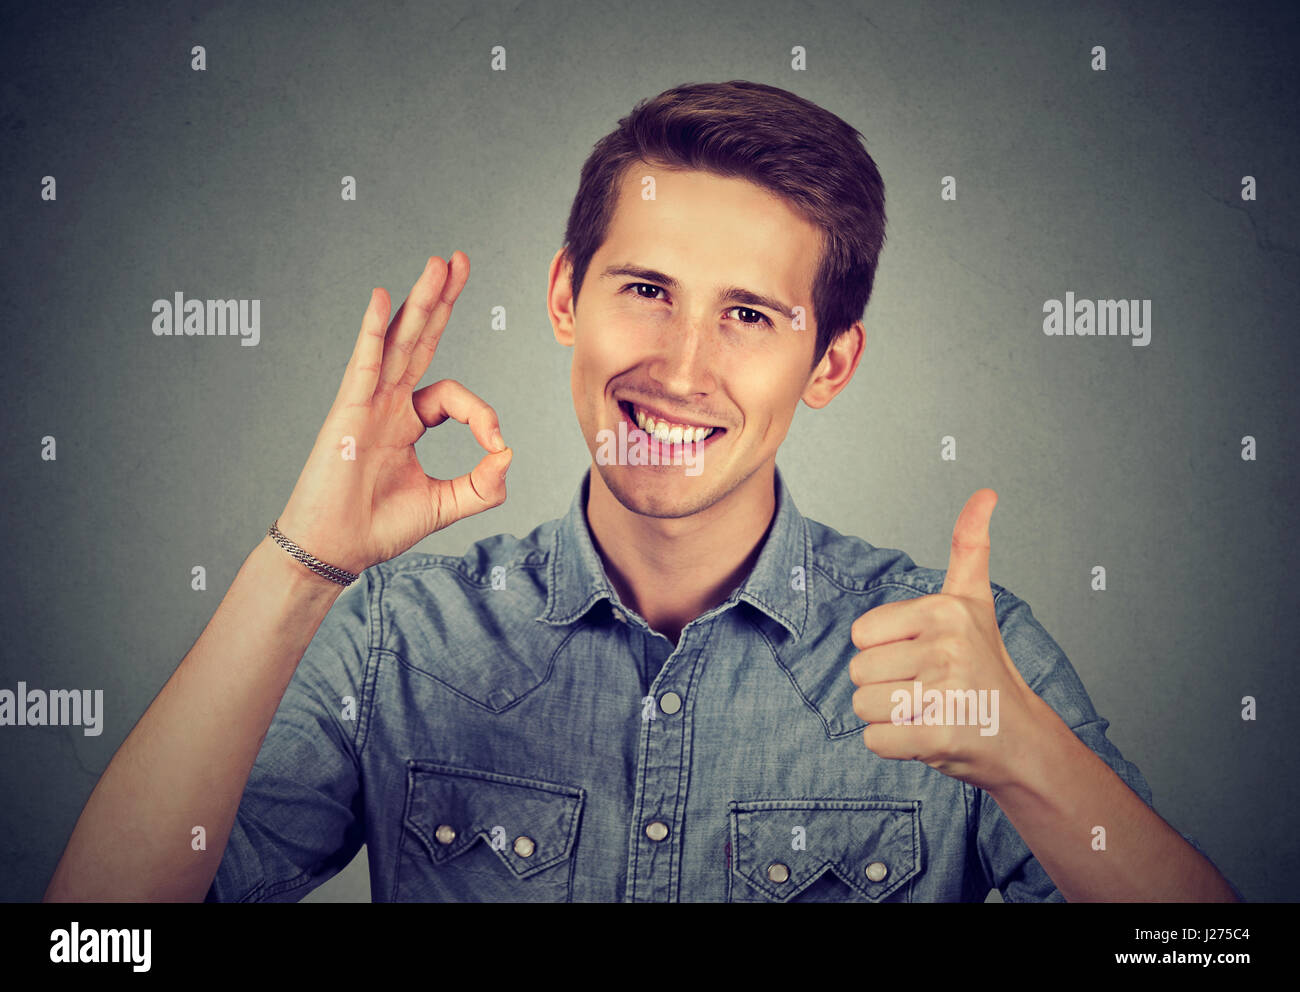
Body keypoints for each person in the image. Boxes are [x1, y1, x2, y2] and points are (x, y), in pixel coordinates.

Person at [44, 80, 1240, 902]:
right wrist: (301, 561)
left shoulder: (958, 659)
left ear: (829, 362)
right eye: (647, 289)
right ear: (565, 295)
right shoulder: (400, 639)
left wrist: (1026, 751)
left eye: (748, 315)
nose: (679, 367)